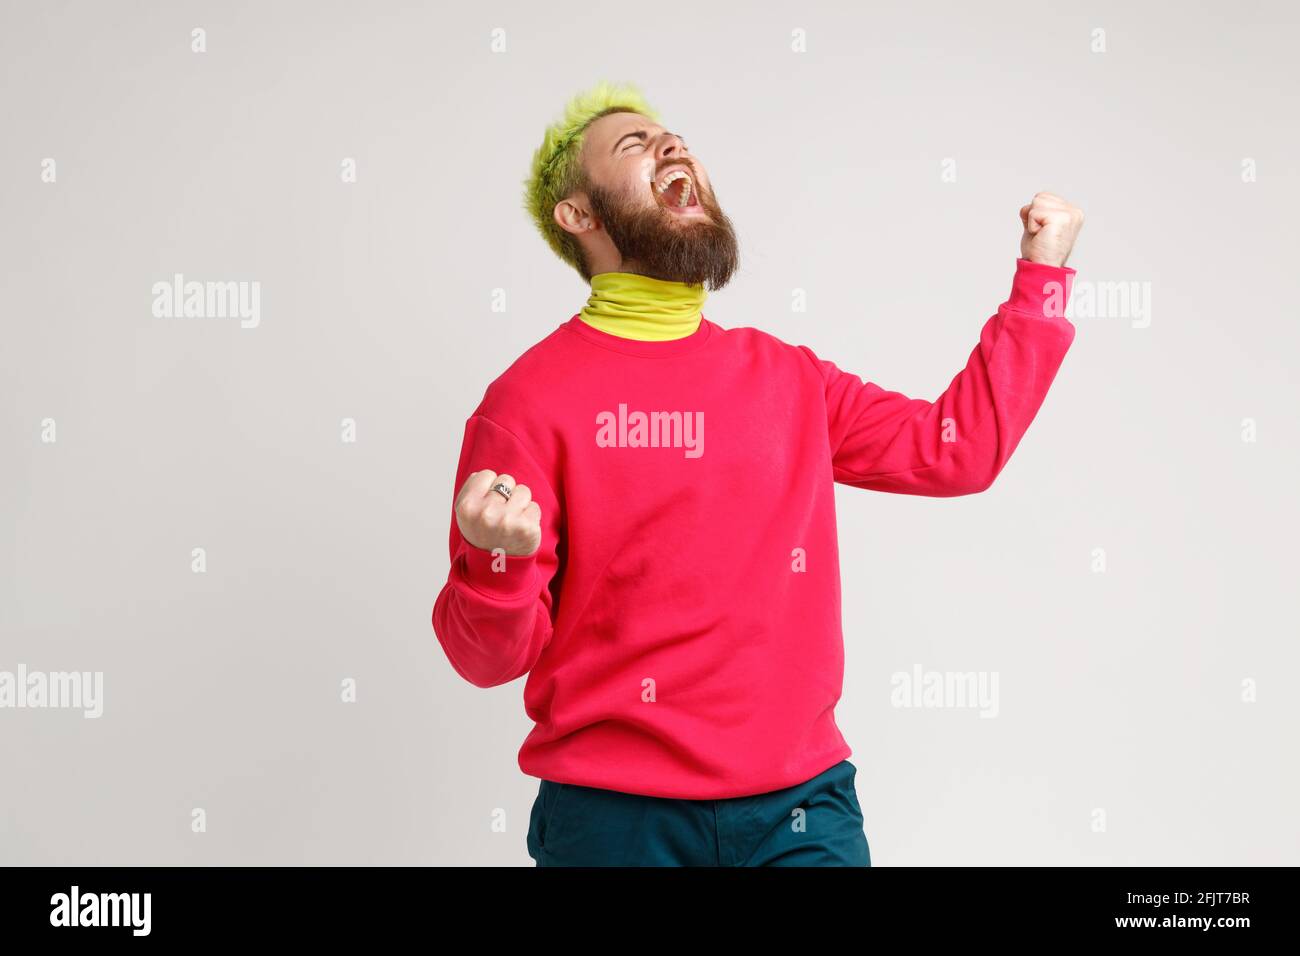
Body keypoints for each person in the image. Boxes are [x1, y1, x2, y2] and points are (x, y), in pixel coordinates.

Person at [431, 80, 1083, 866]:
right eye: (635, 145)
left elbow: (956, 449)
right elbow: (487, 659)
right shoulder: (527, 402)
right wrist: (492, 563)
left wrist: (1041, 277)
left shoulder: (787, 379)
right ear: (580, 214)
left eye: (674, 138)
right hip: (612, 825)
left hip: (801, 813)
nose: (672, 147)